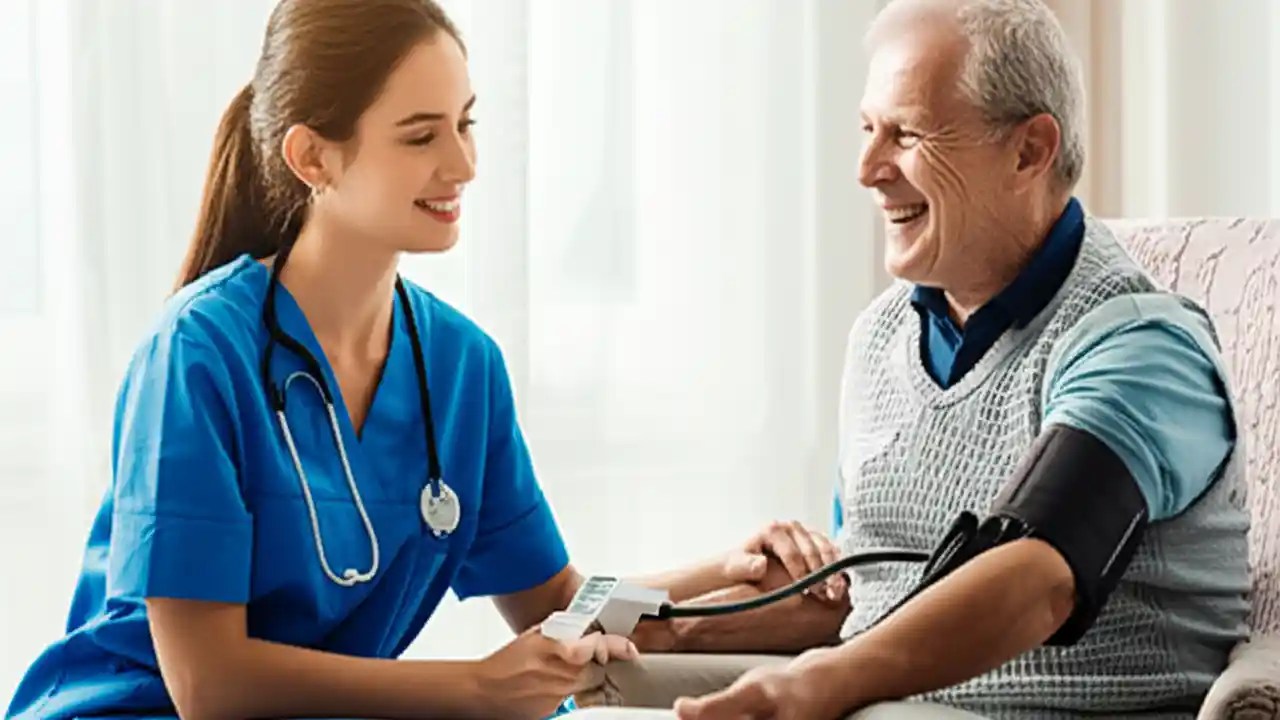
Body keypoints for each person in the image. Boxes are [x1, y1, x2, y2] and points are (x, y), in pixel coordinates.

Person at [3, 2, 846, 719]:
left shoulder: (460, 366)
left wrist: (729, 575)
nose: (465, 165)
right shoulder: (198, 355)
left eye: (466, 123)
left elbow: (556, 609)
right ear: (312, 158)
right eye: (420, 137)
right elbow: (209, 687)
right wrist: (473, 690)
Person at [595, 1, 1252, 718]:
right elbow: (871, 592)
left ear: (1029, 151)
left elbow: (1039, 574)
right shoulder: (878, 339)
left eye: (906, 134)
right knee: (600, 690)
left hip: (1057, 710)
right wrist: (672, 630)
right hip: (894, 701)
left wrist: (824, 679)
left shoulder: (1142, 349)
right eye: (867, 129)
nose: (868, 169)